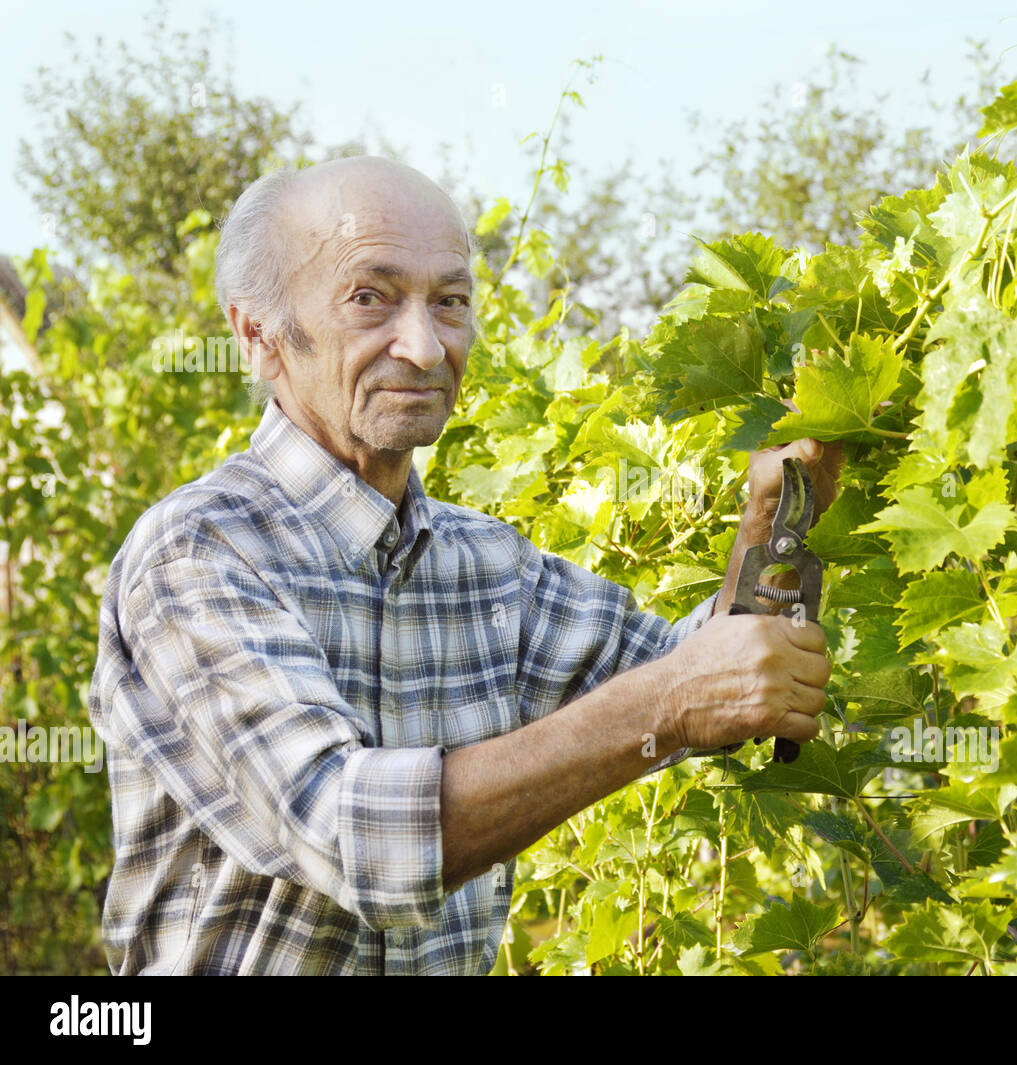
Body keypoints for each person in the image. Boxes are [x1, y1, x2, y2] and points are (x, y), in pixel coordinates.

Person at [88, 156, 842, 975]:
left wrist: (778, 529)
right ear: (257, 334)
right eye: (369, 297)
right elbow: (351, 836)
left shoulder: (489, 564)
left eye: (449, 301)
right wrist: (669, 701)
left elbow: (708, 677)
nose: (422, 346)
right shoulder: (201, 551)